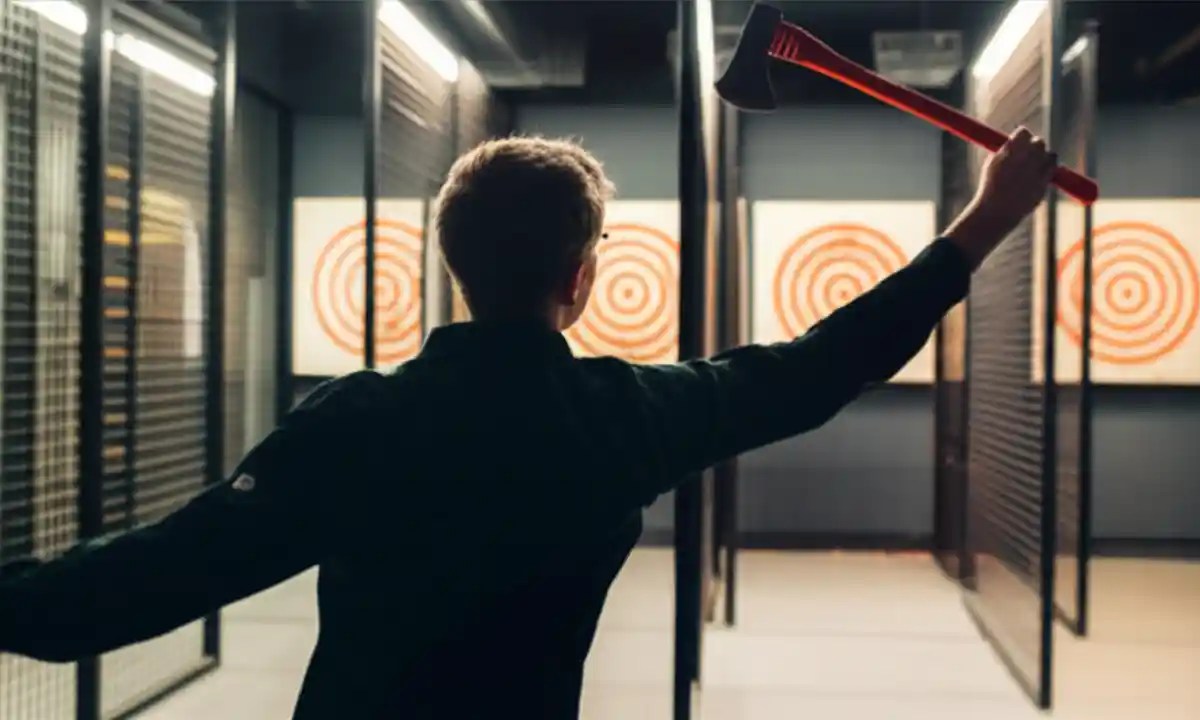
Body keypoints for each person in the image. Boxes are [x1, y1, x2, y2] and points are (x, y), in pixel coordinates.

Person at [0, 127, 1055, 718]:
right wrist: (987, 217)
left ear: (454, 266)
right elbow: (823, 367)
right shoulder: (628, 417)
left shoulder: (361, 422)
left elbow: (154, 575)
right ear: (582, 277)